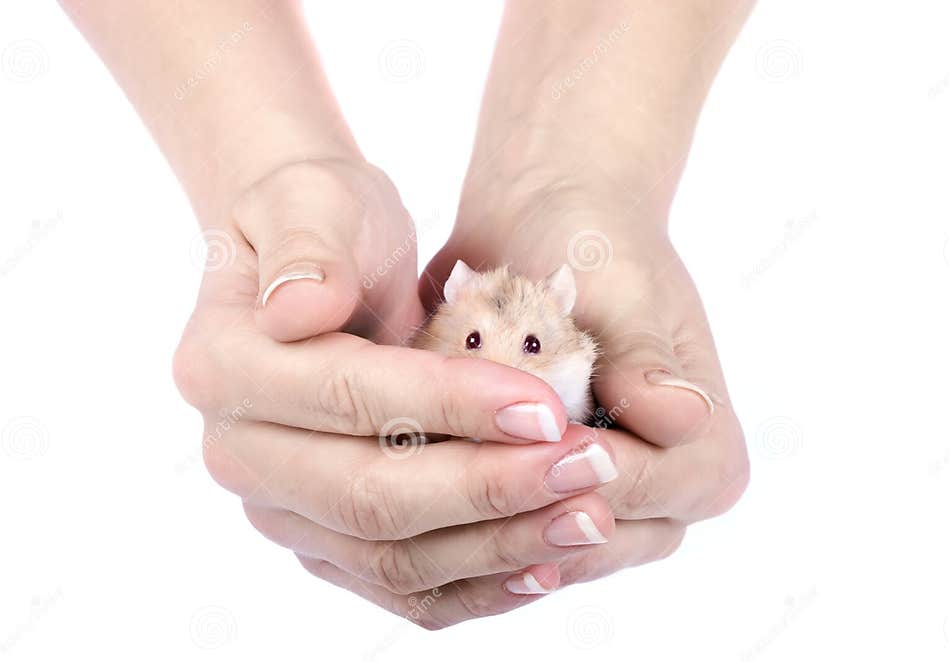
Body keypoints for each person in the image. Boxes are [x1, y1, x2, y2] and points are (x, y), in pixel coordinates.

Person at [61, 0, 752, 628]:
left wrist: (573, 177)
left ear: (566, 334)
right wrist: (276, 174)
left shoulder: (577, 356)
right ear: (450, 318)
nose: (502, 365)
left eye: (533, 346)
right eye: (476, 340)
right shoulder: (427, 342)